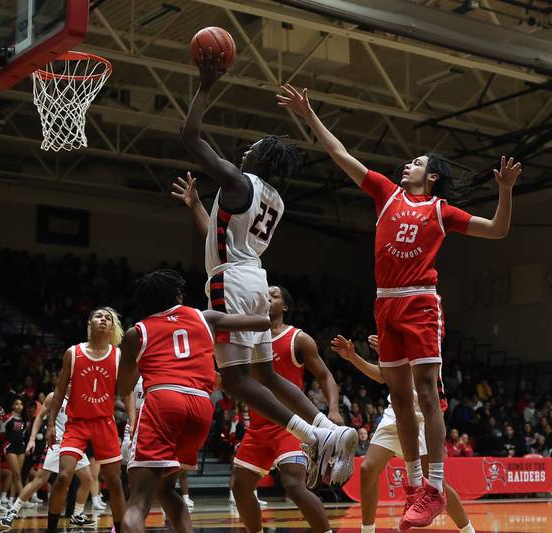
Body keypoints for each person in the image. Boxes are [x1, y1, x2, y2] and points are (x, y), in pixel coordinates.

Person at [279, 82, 521, 528]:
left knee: (427, 394)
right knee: (399, 399)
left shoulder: (441, 211)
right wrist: (309, 115)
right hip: (385, 305)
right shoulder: (386, 194)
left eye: (417, 162)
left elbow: (497, 230)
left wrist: (504, 190)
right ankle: (414, 486)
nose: (407, 164)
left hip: (421, 304)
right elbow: (340, 155)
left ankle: (434, 484)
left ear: (430, 177)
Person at [177, 50, 358, 488]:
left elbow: (190, 138)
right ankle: (327, 427)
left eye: (252, 149)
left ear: (260, 161)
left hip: (230, 283)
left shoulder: (239, 182)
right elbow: (221, 239)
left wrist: (205, 84)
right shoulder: (273, 199)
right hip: (254, 277)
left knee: (236, 381)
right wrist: (198, 206)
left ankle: (311, 435)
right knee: (265, 374)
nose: (245, 150)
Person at [118, 269, 271, 533]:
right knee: (167, 489)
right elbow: (261, 323)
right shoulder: (205, 316)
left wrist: (139, 364)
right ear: (176, 294)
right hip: (201, 406)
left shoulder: (136, 332)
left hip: (164, 400)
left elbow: (124, 387)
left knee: (138, 501)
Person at [331, 335, 475, 533]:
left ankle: (468, 530)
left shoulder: (425, 331)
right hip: (396, 411)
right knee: (368, 468)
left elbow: (421, 376)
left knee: (436, 486)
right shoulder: (391, 330)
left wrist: (390, 353)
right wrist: (353, 357)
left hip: (424, 415)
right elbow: (384, 375)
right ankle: (367, 531)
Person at [231, 285, 342, 533]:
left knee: (293, 485)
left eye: (275, 296)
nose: (268, 298)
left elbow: (324, 375)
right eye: (265, 295)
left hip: (290, 426)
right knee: (240, 485)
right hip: (258, 426)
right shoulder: (247, 340)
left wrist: (333, 408)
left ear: (285, 306)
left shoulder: (298, 338)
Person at [44, 307, 126, 533]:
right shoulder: (73, 352)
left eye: (108, 318)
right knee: (62, 477)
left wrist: (133, 420)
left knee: (116, 482)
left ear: (111, 327)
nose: (103, 320)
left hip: (104, 423)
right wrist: (51, 424)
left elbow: (127, 392)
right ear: (89, 323)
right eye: (99, 316)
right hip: (77, 424)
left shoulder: (117, 355)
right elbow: (60, 391)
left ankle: (119, 529)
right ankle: (51, 528)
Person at [0, 389, 96, 530]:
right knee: (39, 480)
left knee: (87, 478)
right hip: (55, 445)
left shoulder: (81, 397)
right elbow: (39, 417)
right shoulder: (53, 396)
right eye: (68, 380)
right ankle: (12, 512)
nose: (71, 382)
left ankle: (77, 515)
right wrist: (32, 440)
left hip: (74, 444)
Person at [1, 398, 29, 505]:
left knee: (17, 475)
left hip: (20, 447)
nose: (19, 406)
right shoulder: (7, 417)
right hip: (10, 446)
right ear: (12, 406)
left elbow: (24, 434)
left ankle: (12, 500)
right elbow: (2, 432)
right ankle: (23, 500)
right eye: (16, 404)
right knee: (17, 474)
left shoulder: (24, 420)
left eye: (21, 404)